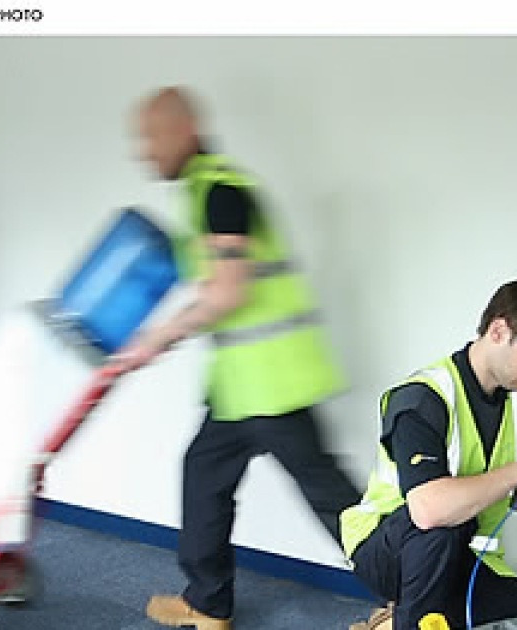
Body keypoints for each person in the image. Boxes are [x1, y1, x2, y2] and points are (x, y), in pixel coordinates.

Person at [113, 86, 361, 630]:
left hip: (274, 384)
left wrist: (157, 340)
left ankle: (420, 593)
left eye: (152, 137)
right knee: (204, 480)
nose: (145, 151)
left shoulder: (224, 190)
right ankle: (207, 606)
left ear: (185, 131)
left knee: (335, 503)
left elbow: (228, 291)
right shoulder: (204, 193)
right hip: (240, 387)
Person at [341, 275, 517, 630]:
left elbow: (515, 495)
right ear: (498, 331)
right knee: (441, 529)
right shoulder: (422, 398)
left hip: (463, 555)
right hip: (389, 548)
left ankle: (391, 622)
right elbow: (427, 511)